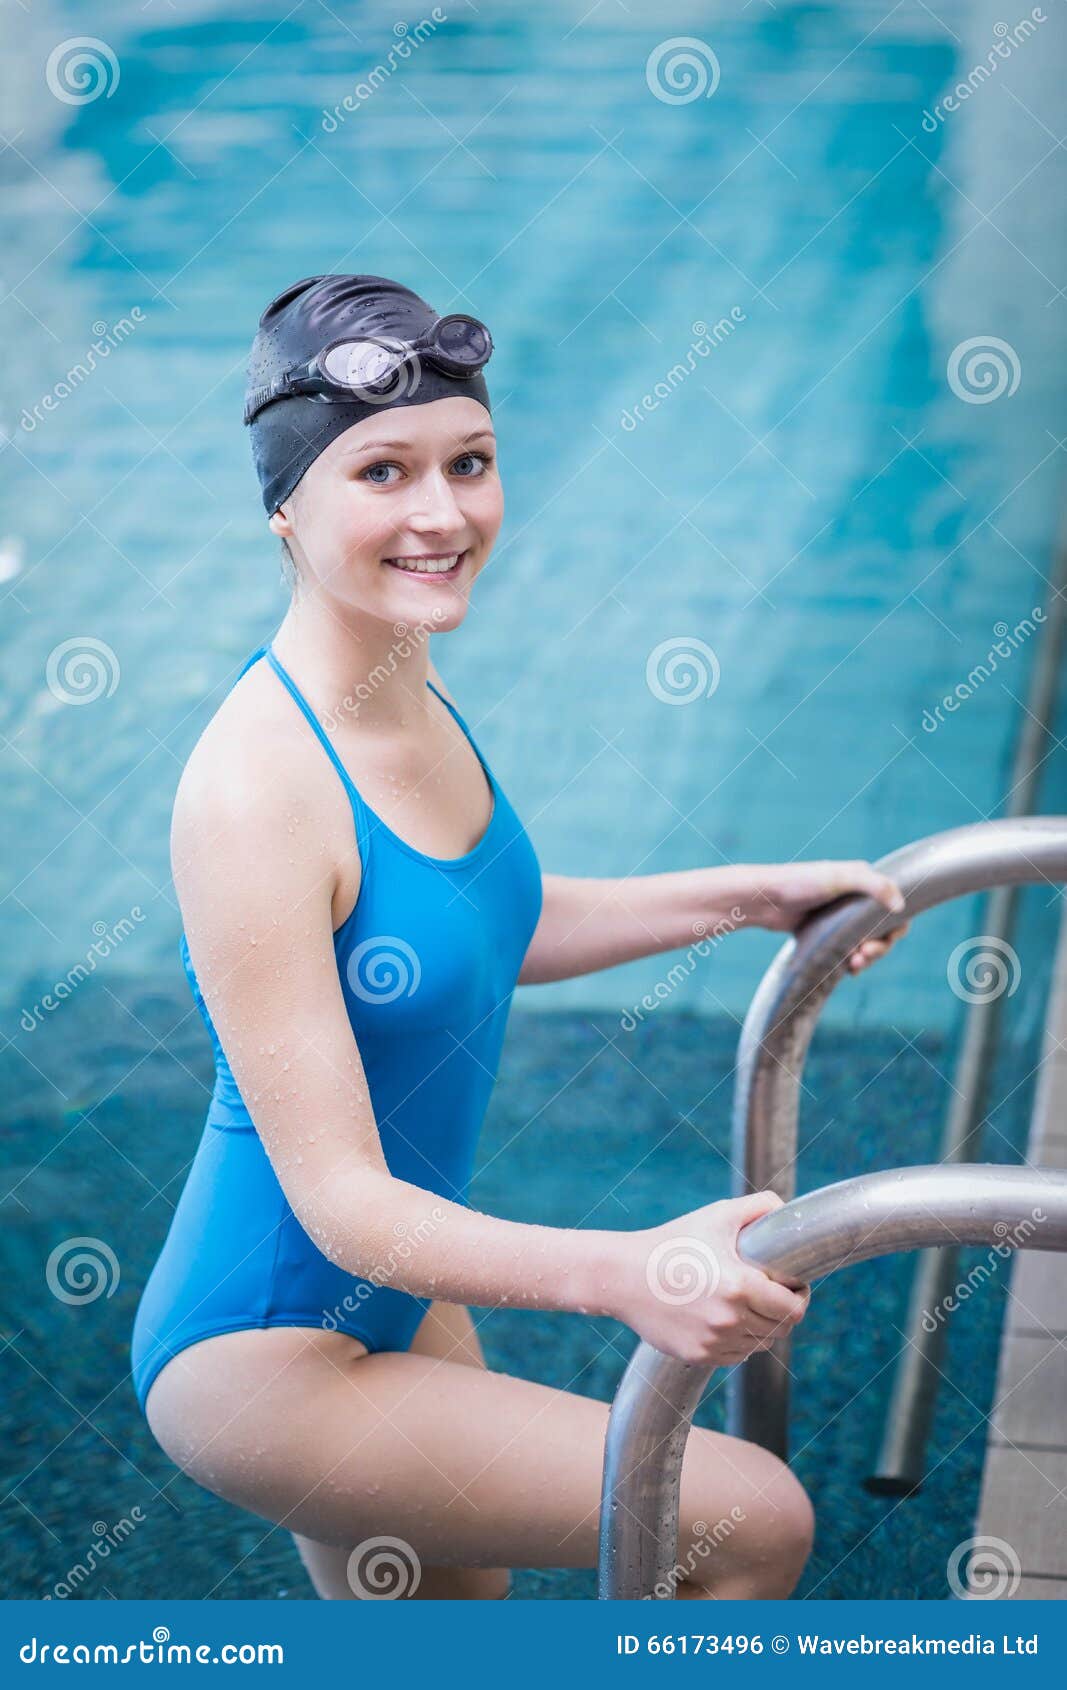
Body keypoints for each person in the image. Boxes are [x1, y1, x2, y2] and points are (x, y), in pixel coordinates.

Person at [131, 275, 910, 1601]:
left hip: (394, 1296)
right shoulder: (256, 788)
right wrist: (628, 1272)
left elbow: (485, 924)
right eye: (383, 470)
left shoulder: (399, 674)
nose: (443, 515)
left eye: (470, 463)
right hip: (266, 1351)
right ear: (284, 507)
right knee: (749, 1516)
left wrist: (750, 895)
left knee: (455, 1645)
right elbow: (343, 1202)